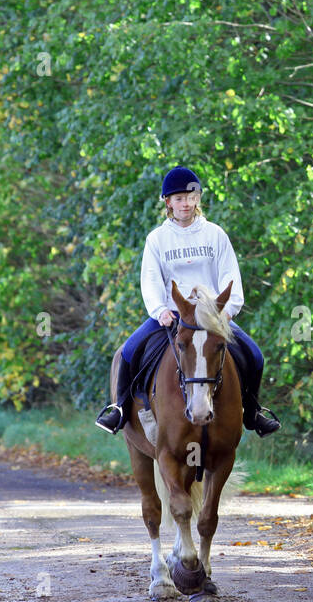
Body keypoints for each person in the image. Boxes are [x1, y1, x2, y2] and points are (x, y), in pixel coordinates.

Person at [95, 166, 281, 439]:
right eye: (179, 198)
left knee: (254, 355)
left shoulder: (215, 234)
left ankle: (253, 413)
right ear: (168, 202)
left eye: (190, 197)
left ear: (198, 199)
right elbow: (150, 279)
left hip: (211, 318)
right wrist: (159, 311)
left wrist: (228, 312)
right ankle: (120, 409)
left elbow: (231, 276)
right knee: (129, 351)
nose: (185, 203)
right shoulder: (157, 239)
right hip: (172, 314)